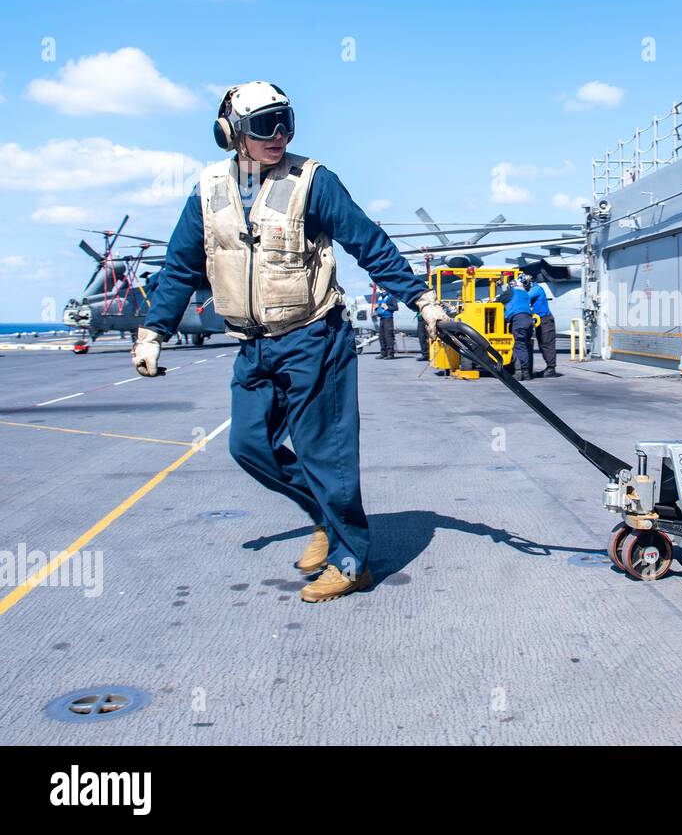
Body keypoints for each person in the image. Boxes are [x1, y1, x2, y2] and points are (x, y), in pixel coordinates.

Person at [130, 81, 449, 602]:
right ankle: (325, 515)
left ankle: (352, 561)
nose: (278, 135)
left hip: (314, 337)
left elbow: (369, 243)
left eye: (287, 122)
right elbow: (180, 267)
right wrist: (153, 332)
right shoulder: (209, 189)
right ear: (231, 133)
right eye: (263, 126)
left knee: (326, 452)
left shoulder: (312, 181)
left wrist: (424, 302)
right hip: (254, 344)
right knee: (248, 445)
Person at [524, 274, 560, 377]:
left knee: (547, 344)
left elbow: (526, 297)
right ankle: (549, 367)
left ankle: (551, 368)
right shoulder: (533, 289)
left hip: (545, 320)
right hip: (540, 320)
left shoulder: (536, 289)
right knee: (542, 344)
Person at [499, 276, 534, 379]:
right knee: (523, 345)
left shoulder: (512, 292)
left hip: (519, 319)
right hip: (528, 320)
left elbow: (500, 299)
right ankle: (524, 371)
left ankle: (522, 373)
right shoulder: (525, 294)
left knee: (519, 346)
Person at [373, 286, 397, 358]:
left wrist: (388, 307)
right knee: (381, 336)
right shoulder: (380, 297)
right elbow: (378, 307)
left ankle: (390, 353)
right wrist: (376, 308)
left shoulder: (391, 297)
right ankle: (383, 353)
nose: (382, 290)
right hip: (382, 318)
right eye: (381, 289)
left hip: (388, 318)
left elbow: (395, 307)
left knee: (388, 336)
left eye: (384, 289)